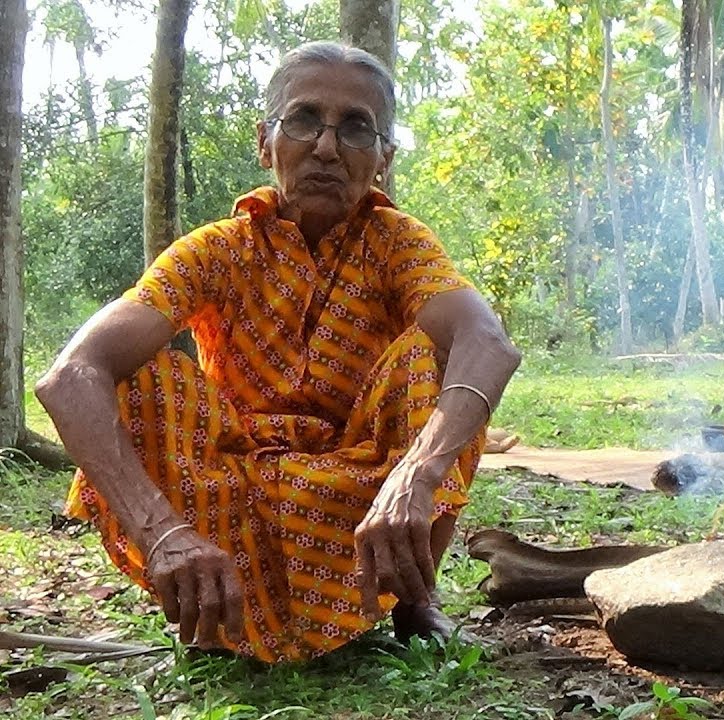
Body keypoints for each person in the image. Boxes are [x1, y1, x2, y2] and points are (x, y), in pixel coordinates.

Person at [35, 41, 521, 663]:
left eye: (356, 128)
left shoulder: (399, 245)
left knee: (439, 357)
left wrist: (415, 476)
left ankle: (411, 599)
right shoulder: (216, 250)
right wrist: (162, 533)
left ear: (383, 159)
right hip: (234, 500)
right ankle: (213, 608)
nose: (327, 147)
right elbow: (71, 374)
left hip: (364, 501)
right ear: (265, 143)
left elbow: (487, 342)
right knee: (142, 378)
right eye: (303, 120)